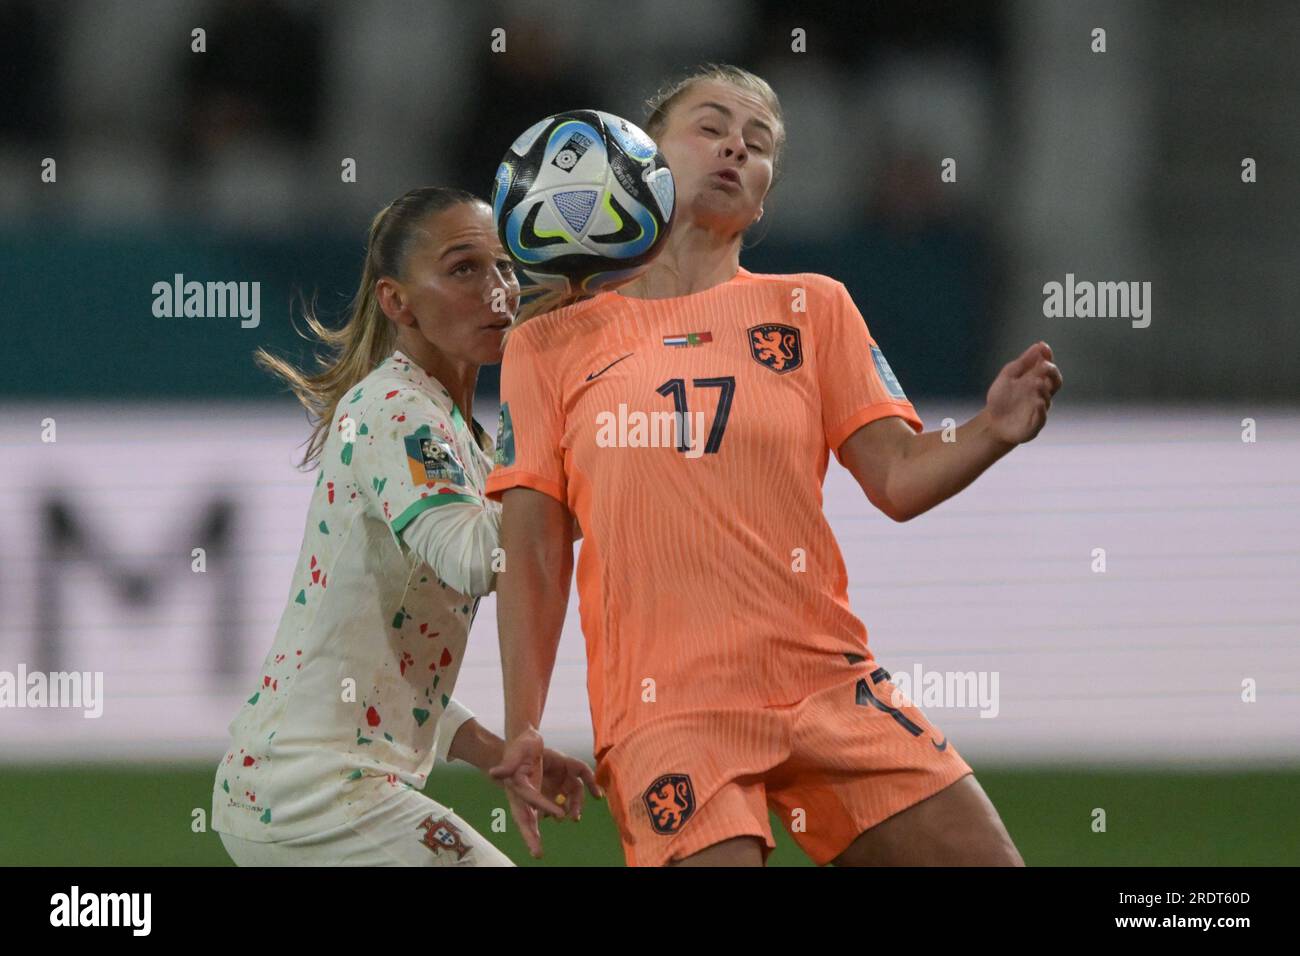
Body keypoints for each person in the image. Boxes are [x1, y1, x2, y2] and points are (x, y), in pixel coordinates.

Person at [487, 65, 1061, 867]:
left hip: (829, 684)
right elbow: (534, 550)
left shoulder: (812, 306)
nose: (735, 148)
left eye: (757, 146)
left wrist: (991, 431)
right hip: (670, 711)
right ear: (640, 158)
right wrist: (524, 724)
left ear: (762, 198)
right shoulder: (548, 343)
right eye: (711, 127)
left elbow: (896, 477)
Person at [212, 186, 597, 866]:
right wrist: (574, 441)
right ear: (397, 301)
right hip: (315, 795)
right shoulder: (397, 410)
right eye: (463, 269)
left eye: (505, 266)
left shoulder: (457, 435)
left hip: (292, 784)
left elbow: (372, 666)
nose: (499, 288)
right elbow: (480, 557)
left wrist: (494, 750)